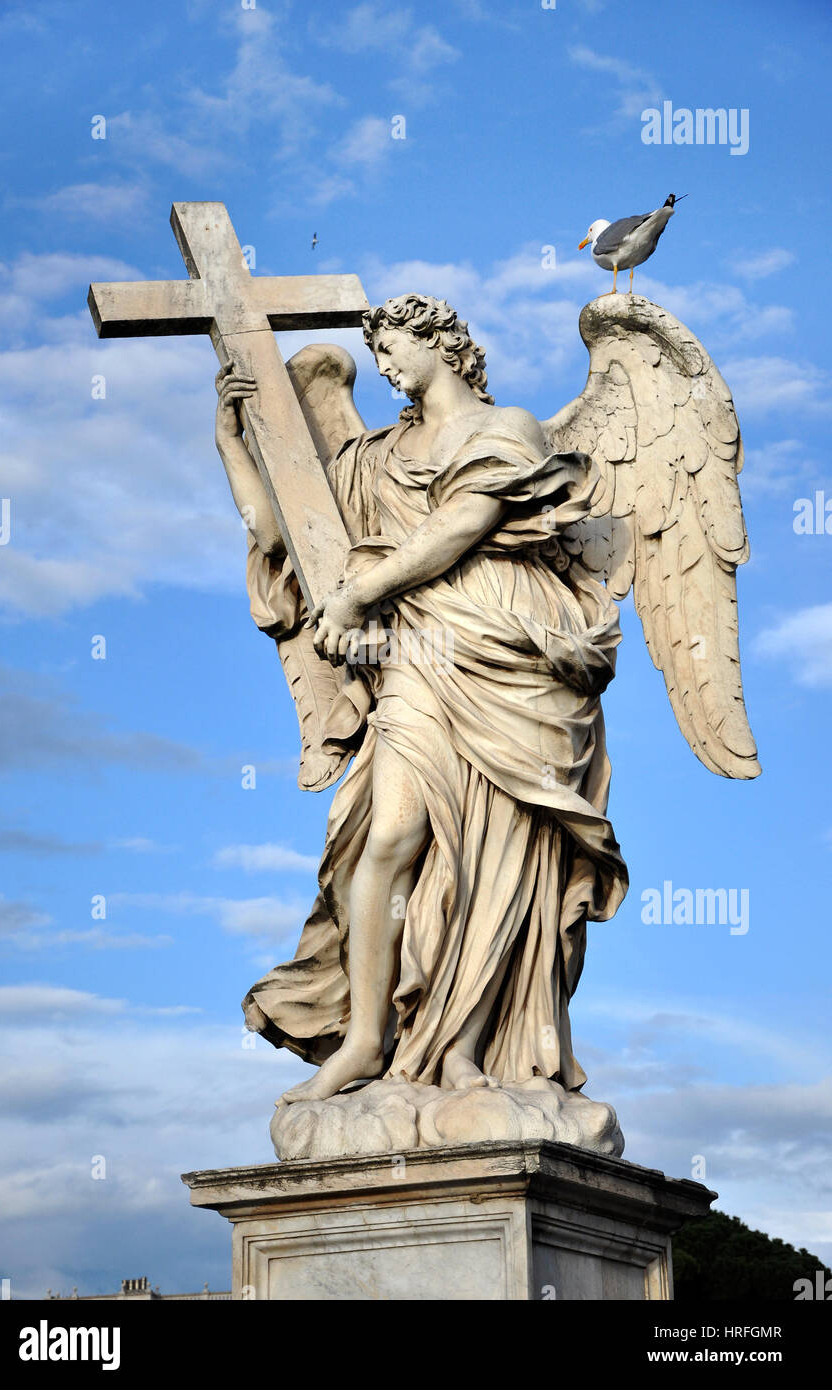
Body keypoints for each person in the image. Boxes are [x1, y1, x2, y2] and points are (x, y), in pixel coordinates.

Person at [215, 293, 628, 1105]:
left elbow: (465, 522)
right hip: (419, 652)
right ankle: (366, 1040)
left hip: (512, 650)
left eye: (396, 348)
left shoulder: (506, 427)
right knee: (390, 831)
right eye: (376, 358)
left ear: (443, 342)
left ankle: (467, 1049)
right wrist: (232, 444)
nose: (385, 368)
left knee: (498, 853)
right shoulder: (373, 456)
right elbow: (279, 532)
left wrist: (359, 592)